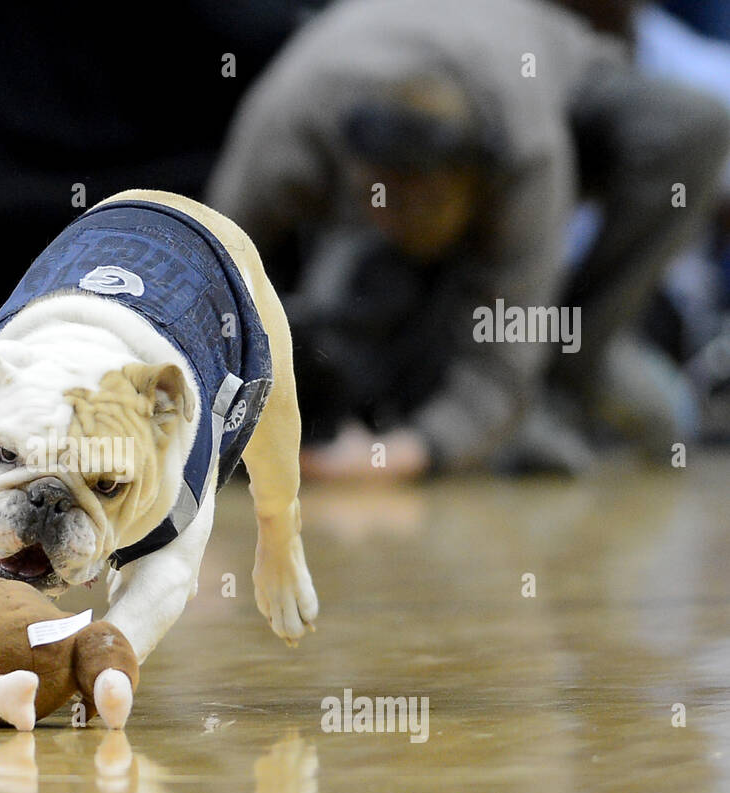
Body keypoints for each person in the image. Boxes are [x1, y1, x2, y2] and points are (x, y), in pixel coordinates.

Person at [207, 0, 730, 478]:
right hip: (351, 80)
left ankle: (570, 376)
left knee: (648, 422)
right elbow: (201, 271)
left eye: (420, 215)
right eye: (383, 205)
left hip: (541, 65)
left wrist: (403, 456)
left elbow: (502, 363)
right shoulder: (287, 133)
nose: (396, 221)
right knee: (344, 329)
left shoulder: (529, 155)